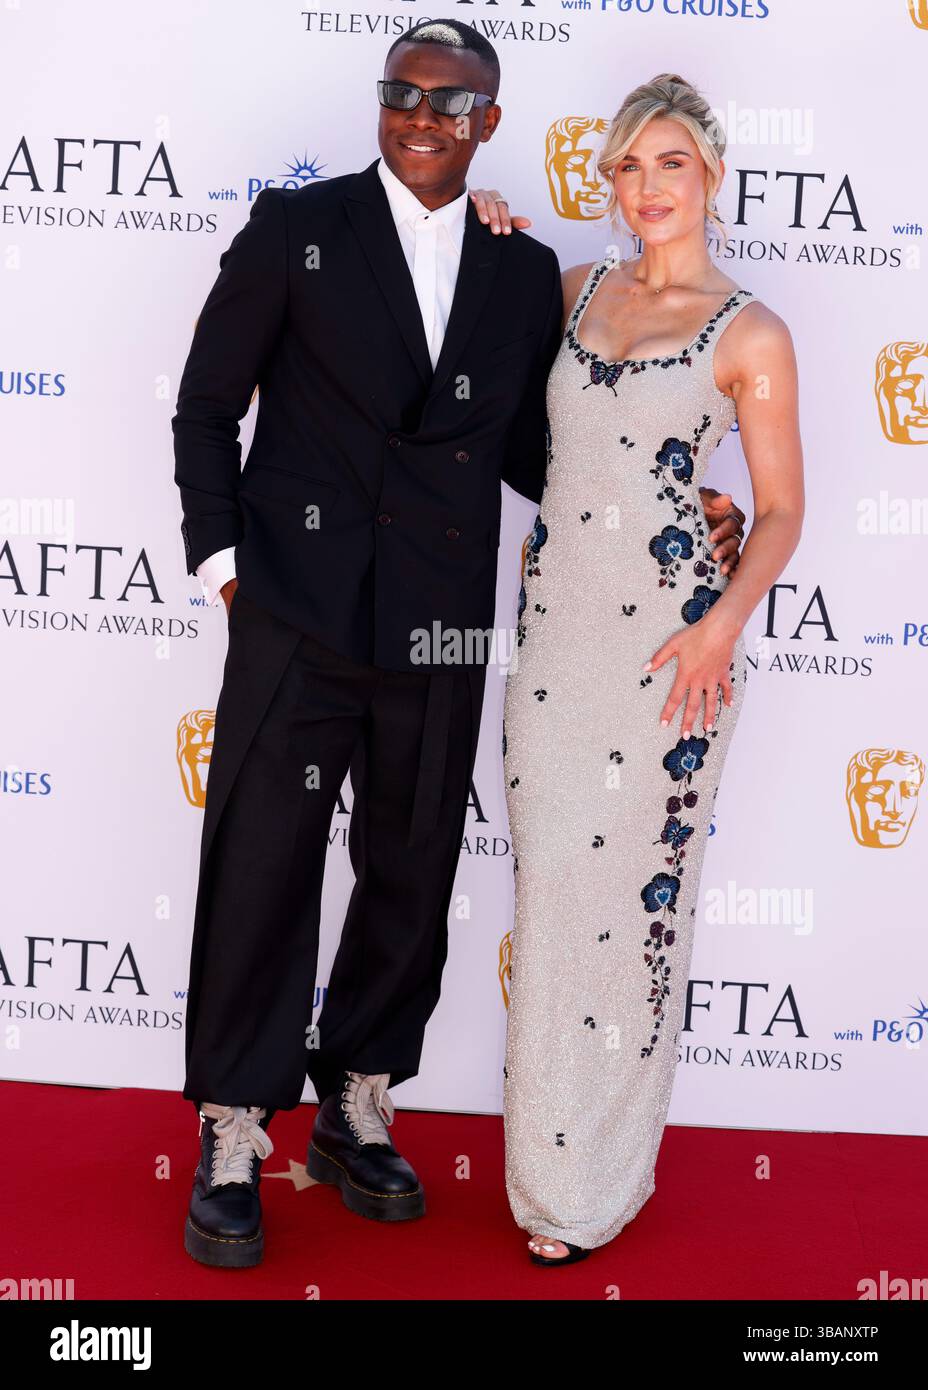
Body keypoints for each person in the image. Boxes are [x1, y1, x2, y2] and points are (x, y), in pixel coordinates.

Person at [173, 22, 746, 1268]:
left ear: (491, 118)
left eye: (451, 99)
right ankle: (231, 1130)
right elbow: (207, 405)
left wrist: (680, 498)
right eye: (401, 93)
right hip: (295, 617)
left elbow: (537, 455)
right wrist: (227, 572)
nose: (420, 115)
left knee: (414, 863)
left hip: (438, 624)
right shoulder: (297, 230)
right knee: (262, 863)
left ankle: (357, 1099)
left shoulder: (514, 273)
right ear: (380, 104)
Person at [473, 73, 804, 1265]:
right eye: (626, 166)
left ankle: (590, 1189)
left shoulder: (749, 331)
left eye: (670, 162)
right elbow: (496, 403)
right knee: (558, 901)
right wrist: (497, 238)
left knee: (633, 915)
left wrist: (722, 623)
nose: (646, 186)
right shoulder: (572, 292)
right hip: (558, 641)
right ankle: (547, 1169)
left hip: (672, 655)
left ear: (711, 173)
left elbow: (776, 512)